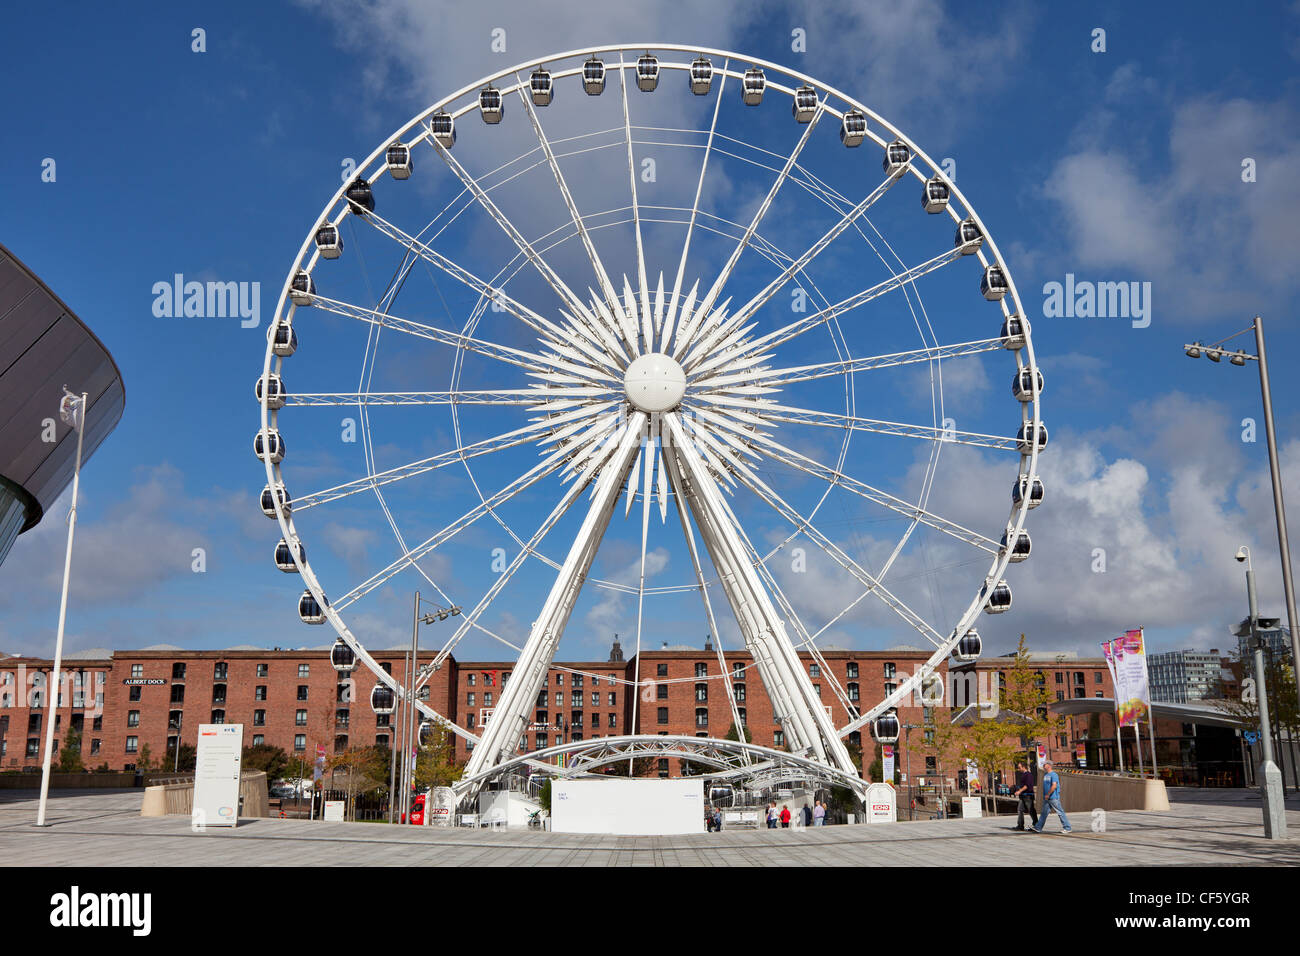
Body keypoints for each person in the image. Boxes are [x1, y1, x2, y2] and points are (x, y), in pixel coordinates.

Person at [1031, 760, 1072, 833]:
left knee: (1060, 812)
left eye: (1045, 764)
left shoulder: (1054, 775)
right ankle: (1038, 827)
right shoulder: (1046, 775)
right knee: (1044, 813)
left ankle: (1067, 828)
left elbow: (1054, 786)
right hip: (1047, 798)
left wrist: (1048, 794)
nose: (1043, 766)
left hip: (1053, 797)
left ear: (1049, 765)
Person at [1012, 760, 1036, 831]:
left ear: (1023, 767)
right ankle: (1020, 825)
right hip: (1023, 796)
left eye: (1019, 768)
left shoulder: (1028, 775)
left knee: (1031, 810)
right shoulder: (1023, 775)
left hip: (1028, 796)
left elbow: (1027, 786)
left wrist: (1019, 791)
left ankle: (1036, 824)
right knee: (1020, 810)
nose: (1018, 769)